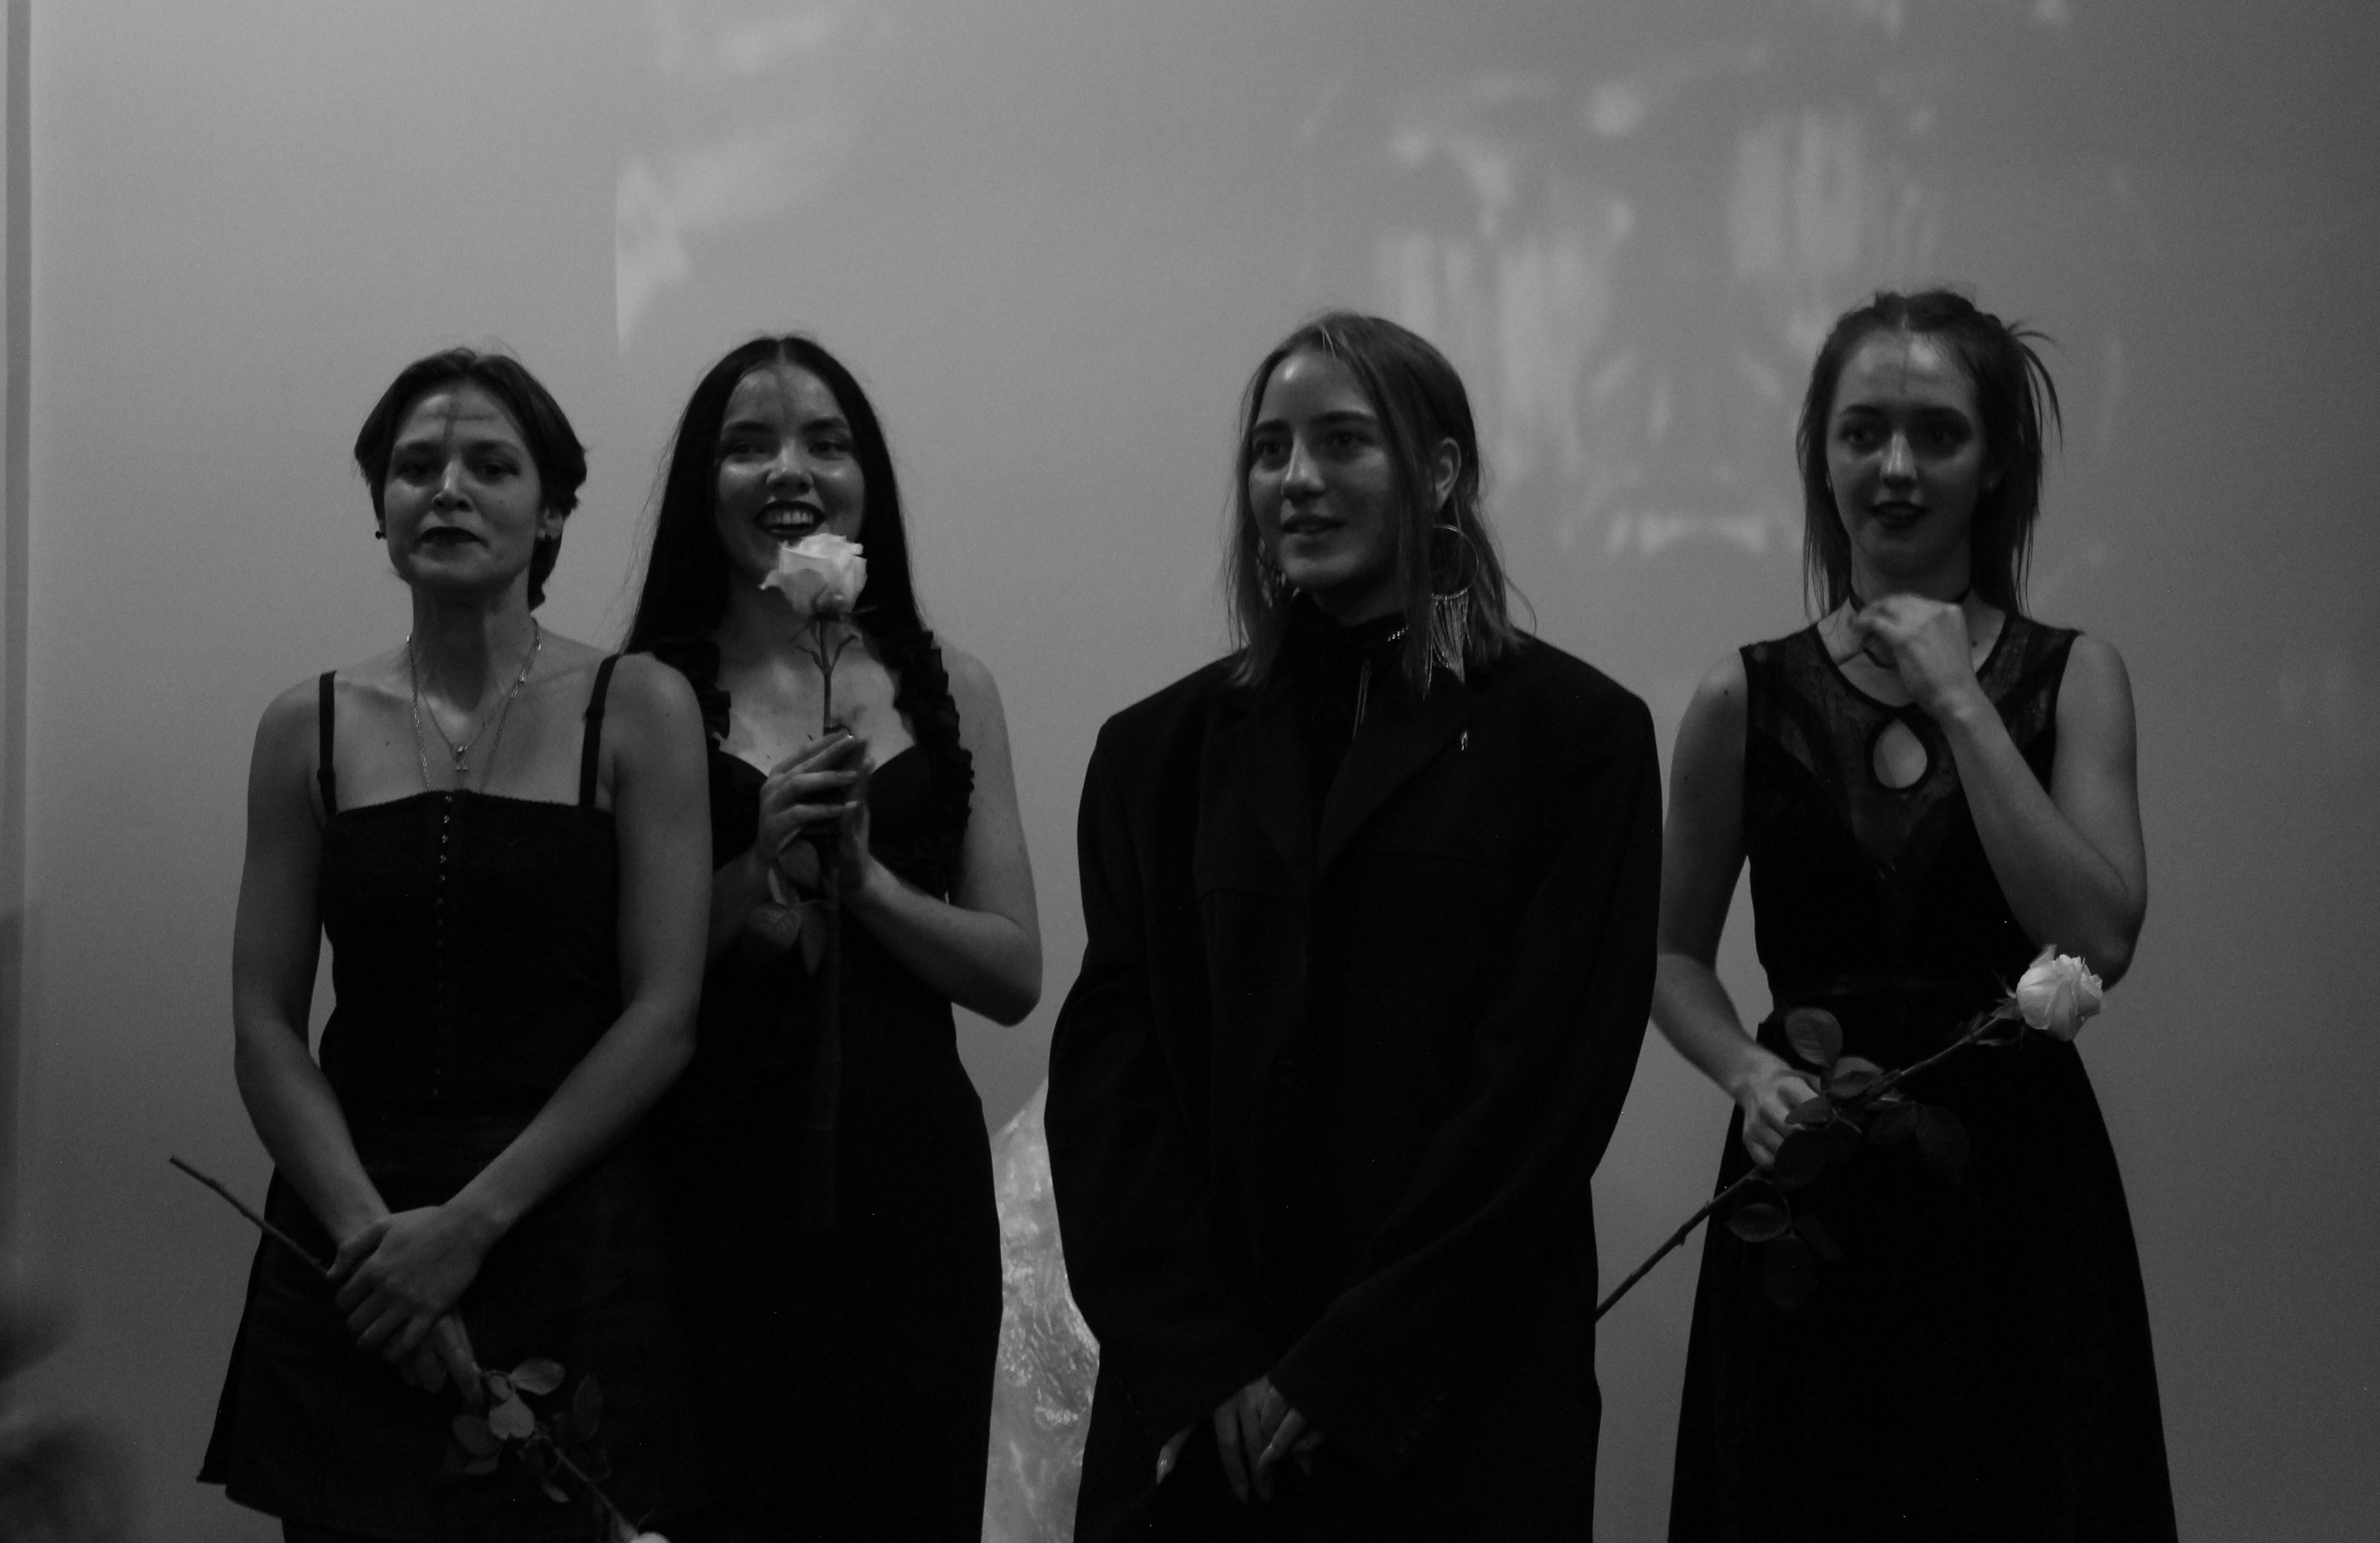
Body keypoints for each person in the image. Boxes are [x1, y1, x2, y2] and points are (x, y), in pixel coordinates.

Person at [1045, 312, 1661, 1540]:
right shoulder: (1155, 756)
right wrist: (1205, 1363)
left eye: (1343, 442)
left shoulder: (1573, 738)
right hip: (1205, 1420)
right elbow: (1113, 1083)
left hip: (1456, 1401)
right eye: (1271, 451)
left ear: (1439, 471)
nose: (1299, 481)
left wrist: (1345, 1370)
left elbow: (1542, 1094)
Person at [1656, 289, 2173, 1539]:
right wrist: (1744, 1073)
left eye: (1937, 432)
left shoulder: (2073, 675)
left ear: (1995, 461)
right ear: (1821, 457)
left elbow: (2097, 939)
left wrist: (1961, 699)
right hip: (1808, 1184)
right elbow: (1669, 953)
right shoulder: (1745, 694)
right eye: (1862, 431)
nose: (1895, 465)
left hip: (2019, 1196)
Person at [200, 350, 715, 1541]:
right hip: (353, 1233)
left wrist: (470, 1224)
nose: (447, 490)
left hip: (562, 1218)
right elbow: (266, 1022)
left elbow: (663, 1013)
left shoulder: (637, 706)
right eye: (414, 467)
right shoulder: (307, 725)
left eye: (491, 464)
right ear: (378, 510)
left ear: (553, 510)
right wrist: (373, 1240)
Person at [624, 335, 1040, 1541]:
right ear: (706, 486)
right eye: (747, 444)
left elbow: (1015, 972)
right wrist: (754, 862)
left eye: (826, 441)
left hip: (911, 1193)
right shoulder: (644, 689)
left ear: (869, 484)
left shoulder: (949, 682)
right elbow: (616, 985)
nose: (788, 470)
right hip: (704, 1187)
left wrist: (865, 883)